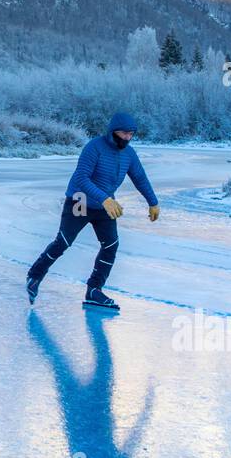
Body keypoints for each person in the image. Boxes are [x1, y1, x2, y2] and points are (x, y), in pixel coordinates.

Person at [26, 112, 159, 312]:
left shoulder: (129, 154)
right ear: (113, 131)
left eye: (131, 134)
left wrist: (153, 202)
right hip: (80, 201)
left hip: (104, 206)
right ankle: (35, 276)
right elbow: (81, 178)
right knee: (64, 241)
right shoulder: (94, 147)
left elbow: (139, 178)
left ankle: (94, 290)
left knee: (111, 245)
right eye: (124, 133)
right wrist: (104, 198)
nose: (127, 138)